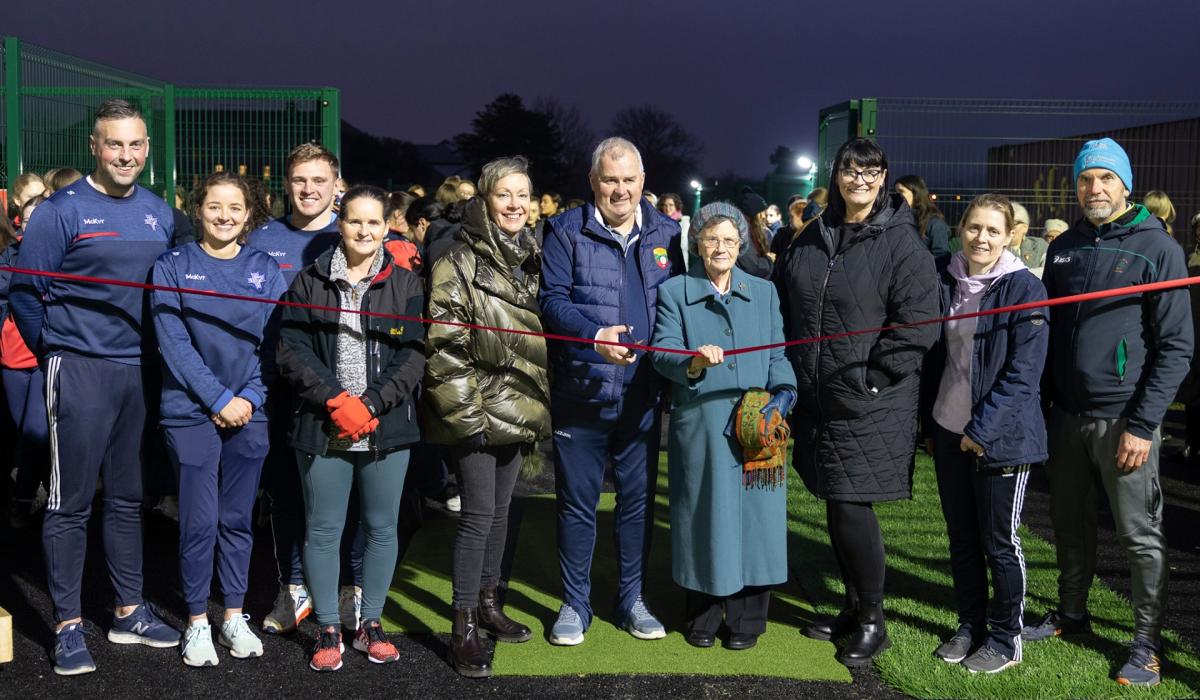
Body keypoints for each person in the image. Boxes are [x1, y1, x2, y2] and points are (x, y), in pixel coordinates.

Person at [9, 98, 180, 675]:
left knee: (129, 497)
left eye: (135, 145)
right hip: (78, 368)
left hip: (140, 371)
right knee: (69, 500)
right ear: (94, 147)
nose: (126, 155)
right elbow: (27, 296)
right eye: (115, 144)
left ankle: (128, 609)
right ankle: (66, 625)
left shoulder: (160, 213)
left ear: (147, 149)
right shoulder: (61, 211)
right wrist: (57, 350)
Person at [1025, 138, 1193, 687]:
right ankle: (1072, 614)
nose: (1094, 189)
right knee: (1070, 523)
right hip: (1067, 415)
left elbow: (1176, 347)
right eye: (1084, 179)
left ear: (1124, 184)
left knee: (1139, 534)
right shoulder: (1067, 245)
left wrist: (1143, 425)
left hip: (1125, 420)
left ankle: (1146, 643)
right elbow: (1050, 331)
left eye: (1104, 179)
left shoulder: (1157, 247)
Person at [774, 138, 939, 668]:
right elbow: (784, 294)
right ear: (837, 174)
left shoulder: (900, 242)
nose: (860, 180)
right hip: (818, 392)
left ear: (885, 176)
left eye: (871, 172)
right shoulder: (814, 233)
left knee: (850, 504)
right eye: (850, 170)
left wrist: (875, 375)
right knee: (833, 500)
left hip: (869, 399)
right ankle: (850, 608)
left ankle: (873, 621)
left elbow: (918, 323)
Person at [539, 136, 683, 646]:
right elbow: (551, 301)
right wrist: (593, 336)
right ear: (592, 182)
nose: (619, 190)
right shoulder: (563, 230)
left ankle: (631, 600)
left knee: (637, 503)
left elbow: (681, 303)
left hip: (644, 396)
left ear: (643, 183)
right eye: (609, 180)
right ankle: (575, 603)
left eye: (628, 180)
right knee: (577, 504)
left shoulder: (669, 232)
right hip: (581, 391)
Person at [276, 185, 426, 671]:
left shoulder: (406, 284)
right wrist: (336, 400)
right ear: (340, 223)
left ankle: (372, 623)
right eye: (355, 221)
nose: (364, 231)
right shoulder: (309, 279)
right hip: (324, 425)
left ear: (388, 226)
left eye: (374, 222)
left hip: (385, 425)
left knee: (381, 528)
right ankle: (327, 626)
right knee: (323, 529)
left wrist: (373, 403)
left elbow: (413, 355)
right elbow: (291, 350)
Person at [151, 171, 286, 667]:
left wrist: (247, 397)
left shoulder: (265, 269)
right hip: (190, 412)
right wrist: (216, 398)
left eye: (235, 207)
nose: (225, 216)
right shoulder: (172, 266)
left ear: (248, 214)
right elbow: (174, 342)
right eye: (214, 207)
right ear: (198, 210)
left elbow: (272, 346)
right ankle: (196, 624)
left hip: (250, 412)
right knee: (199, 522)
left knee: (236, 520)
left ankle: (232, 615)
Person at [650, 202, 796, 651]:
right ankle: (704, 616)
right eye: (712, 239)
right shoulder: (676, 291)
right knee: (705, 517)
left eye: (730, 240)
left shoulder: (765, 291)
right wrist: (692, 361)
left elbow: (778, 354)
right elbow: (661, 351)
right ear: (697, 243)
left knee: (758, 521)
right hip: (703, 423)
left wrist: (784, 393)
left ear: (742, 244)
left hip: (758, 422)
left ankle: (747, 619)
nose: (721, 248)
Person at [423, 157, 549, 677]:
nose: (516, 204)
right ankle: (463, 625)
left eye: (524, 194)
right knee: (476, 518)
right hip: (476, 409)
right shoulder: (458, 260)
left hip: (518, 403)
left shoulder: (531, 255)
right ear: (485, 201)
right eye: (505, 195)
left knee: (501, 512)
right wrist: (468, 418)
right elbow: (445, 347)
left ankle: (491, 603)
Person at [921, 194, 1048, 674]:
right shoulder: (945, 276)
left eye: (994, 230)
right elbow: (935, 358)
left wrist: (982, 430)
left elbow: (1024, 373)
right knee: (961, 540)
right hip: (949, 428)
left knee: (1000, 542)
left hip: (1001, 437)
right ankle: (969, 625)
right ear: (960, 229)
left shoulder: (1024, 289)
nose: (982, 238)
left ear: (1011, 235)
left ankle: (1005, 638)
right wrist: (932, 425)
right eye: (974, 227)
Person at [245, 141, 342, 635]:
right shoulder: (263, 237)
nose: (309, 189)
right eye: (300, 180)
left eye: (318, 180)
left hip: (341, 387)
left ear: (336, 184)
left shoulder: (355, 234)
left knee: (343, 493)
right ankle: (295, 586)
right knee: (284, 491)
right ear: (287, 184)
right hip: (280, 386)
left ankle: (347, 587)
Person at [896, 175, 951, 271]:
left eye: (901, 192)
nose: (897, 196)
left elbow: (941, 258)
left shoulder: (935, 224)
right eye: (896, 192)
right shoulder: (898, 219)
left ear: (915, 193)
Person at [1006, 202, 1047, 271]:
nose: (1008, 227)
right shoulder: (996, 248)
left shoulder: (1039, 246)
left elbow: (1047, 272)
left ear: (1025, 227)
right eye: (1005, 223)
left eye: (1013, 224)